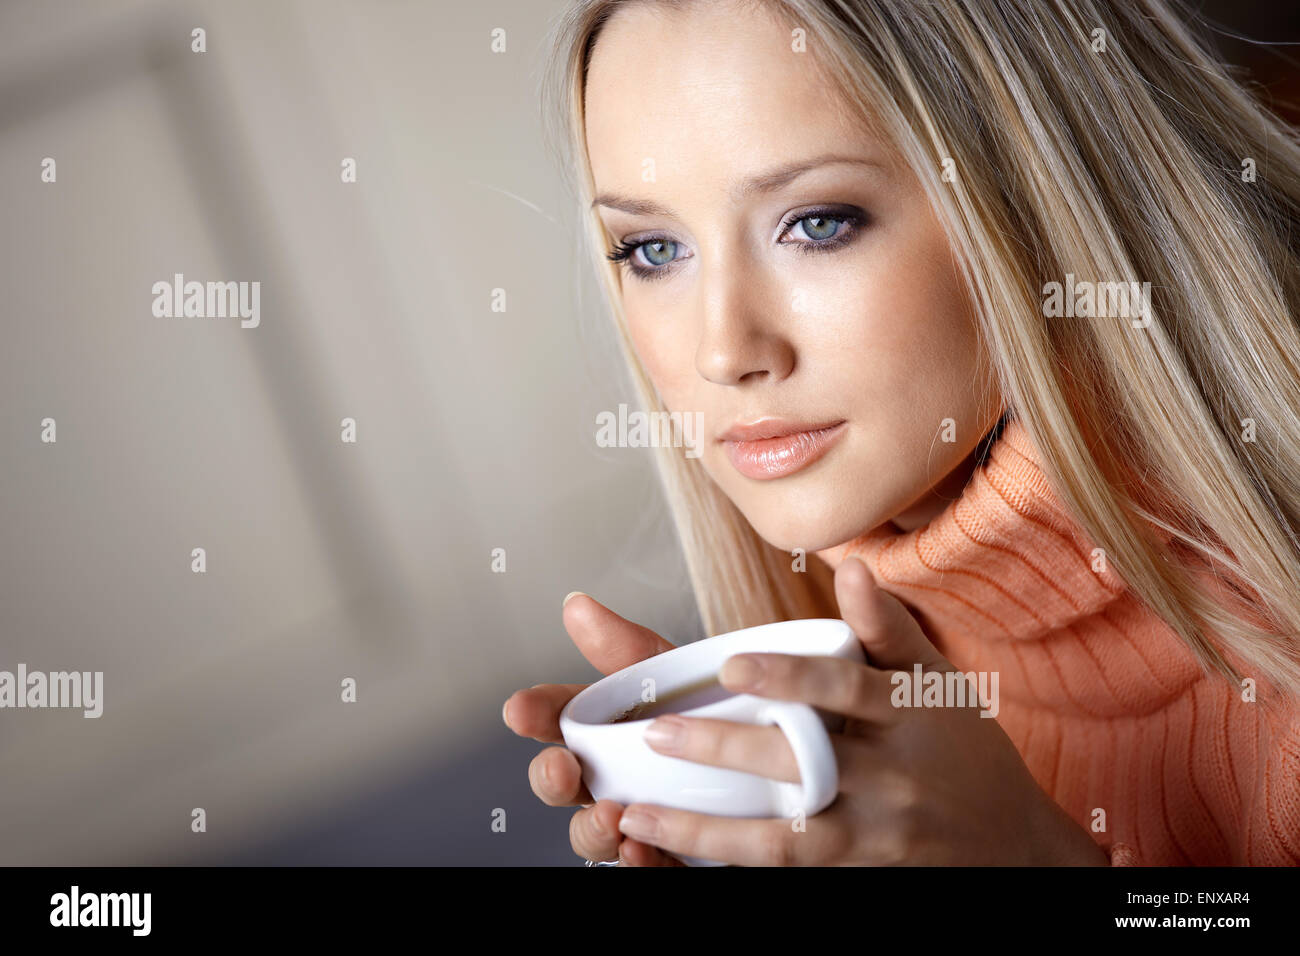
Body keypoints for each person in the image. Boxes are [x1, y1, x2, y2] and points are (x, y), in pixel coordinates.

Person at [503, 0, 1300, 866]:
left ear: (1036, 200)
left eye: (816, 223)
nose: (724, 350)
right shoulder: (833, 673)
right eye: (653, 251)